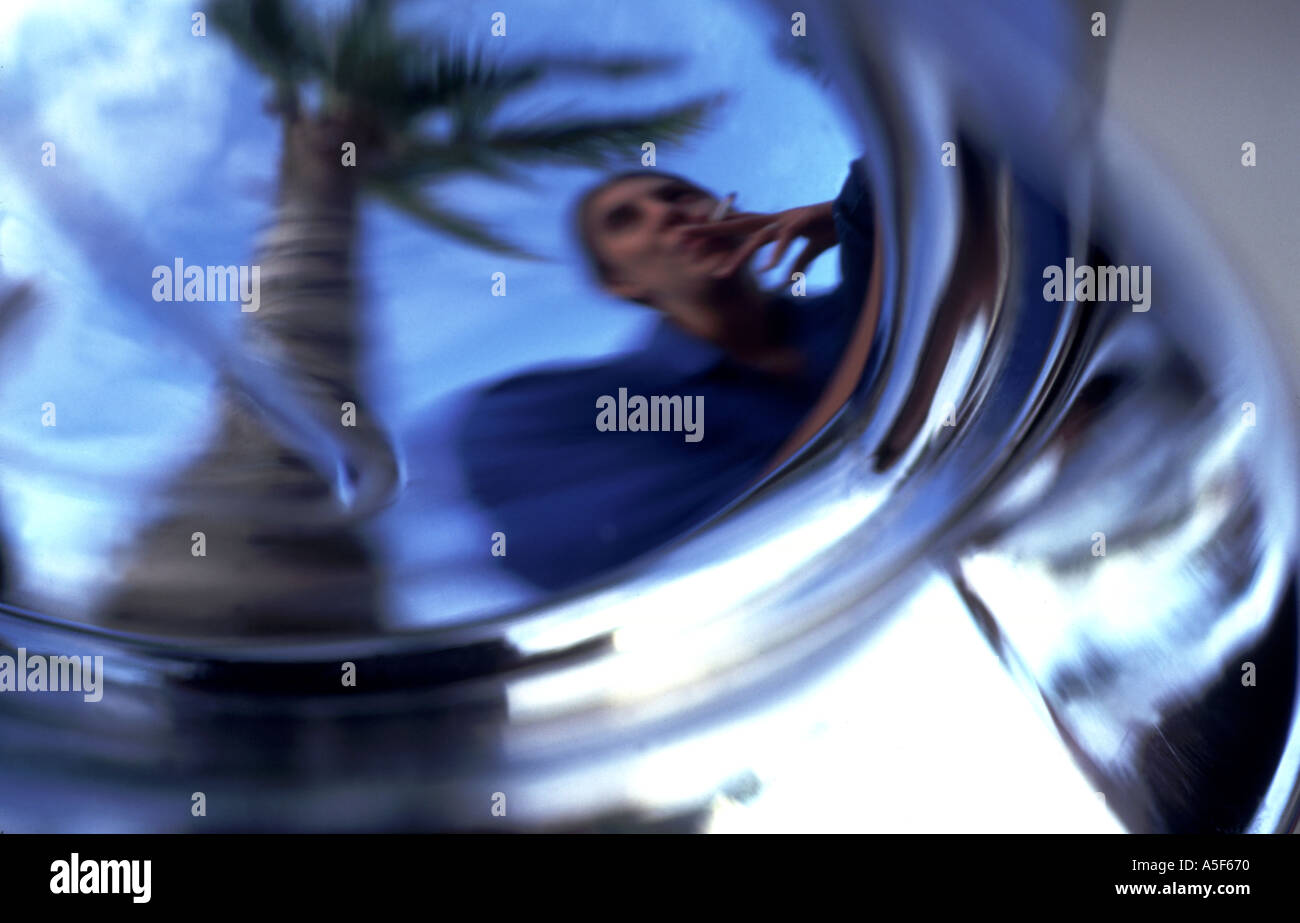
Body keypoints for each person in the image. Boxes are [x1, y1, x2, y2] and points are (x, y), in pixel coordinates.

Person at [455, 157, 887, 593]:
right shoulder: (542, 417)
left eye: (679, 195)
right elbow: (715, 547)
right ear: (619, 283)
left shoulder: (845, 306)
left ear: (729, 211)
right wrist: (867, 232)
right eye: (624, 220)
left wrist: (849, 215)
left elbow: (919, 165)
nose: (666, 213)